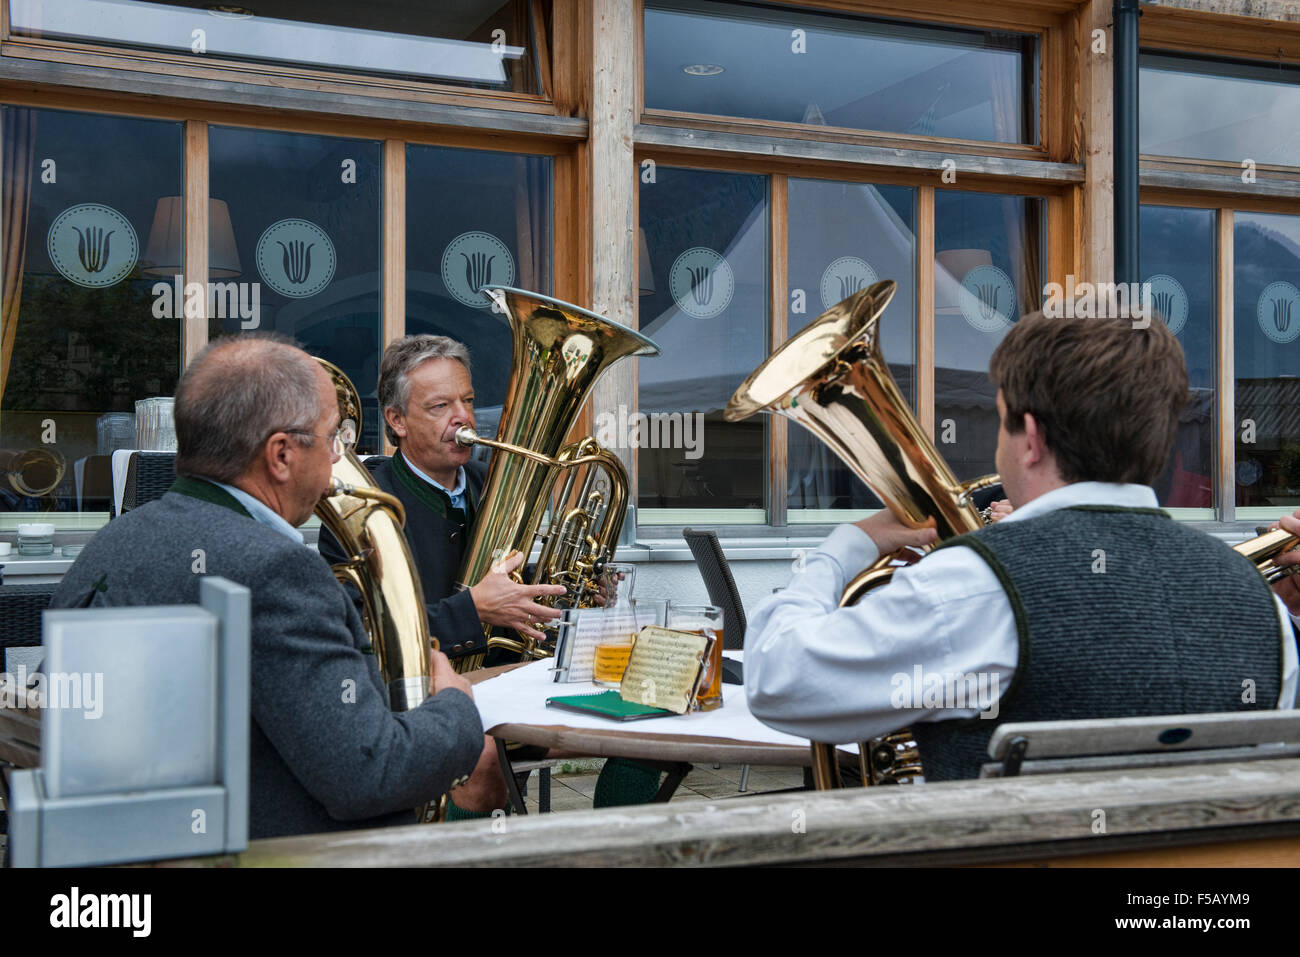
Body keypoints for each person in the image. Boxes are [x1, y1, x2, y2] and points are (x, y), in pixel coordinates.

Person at [745, 310, 1298, 781]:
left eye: (1001, 421)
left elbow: (779, 679)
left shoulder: (974, 587)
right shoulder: (1265, 607)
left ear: (1030, 439)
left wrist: (846, 547)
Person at [52, 334, 506, 838]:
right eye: (333, 438)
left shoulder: (112, 542)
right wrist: (455, 706)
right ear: (282, 455)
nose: (339, 460)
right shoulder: (277, 572)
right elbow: (370, 774)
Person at [318, 335, 567, 666]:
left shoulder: (493, 481)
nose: (463, 416)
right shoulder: (358, 507)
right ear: (397, 420)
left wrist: (565, 587)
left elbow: (507, 575)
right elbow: (358, 629)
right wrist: (471, 610)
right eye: (440, 406)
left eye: (468, 400)